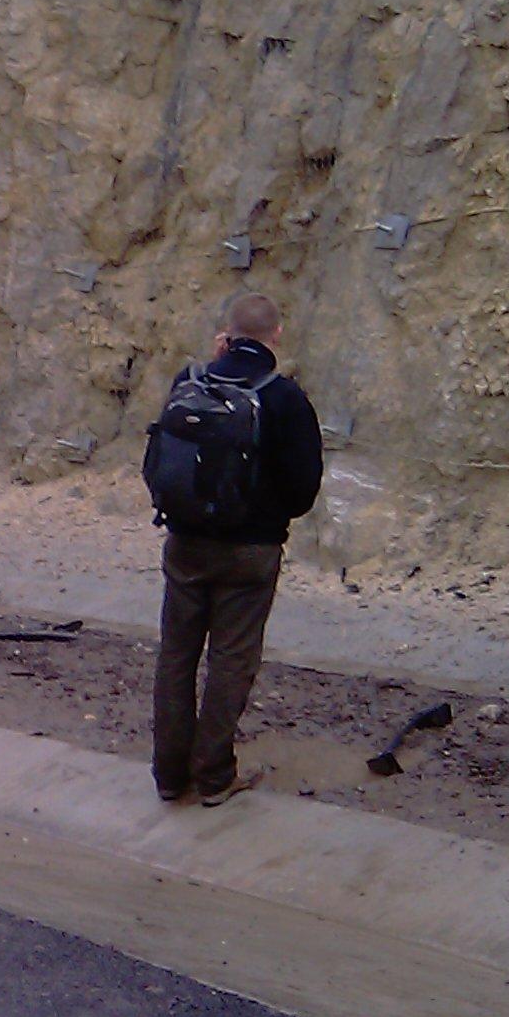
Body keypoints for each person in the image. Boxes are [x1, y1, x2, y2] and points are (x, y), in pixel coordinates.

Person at [148, 292, 325, 806]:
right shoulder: (286, 398)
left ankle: (168, 775)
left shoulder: (191, 381)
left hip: (184, 543)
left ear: (227, 334)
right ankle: (213, 774)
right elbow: (303, 491)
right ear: (278, 334)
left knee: (176, 655)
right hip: (251, 550)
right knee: (231, 659)